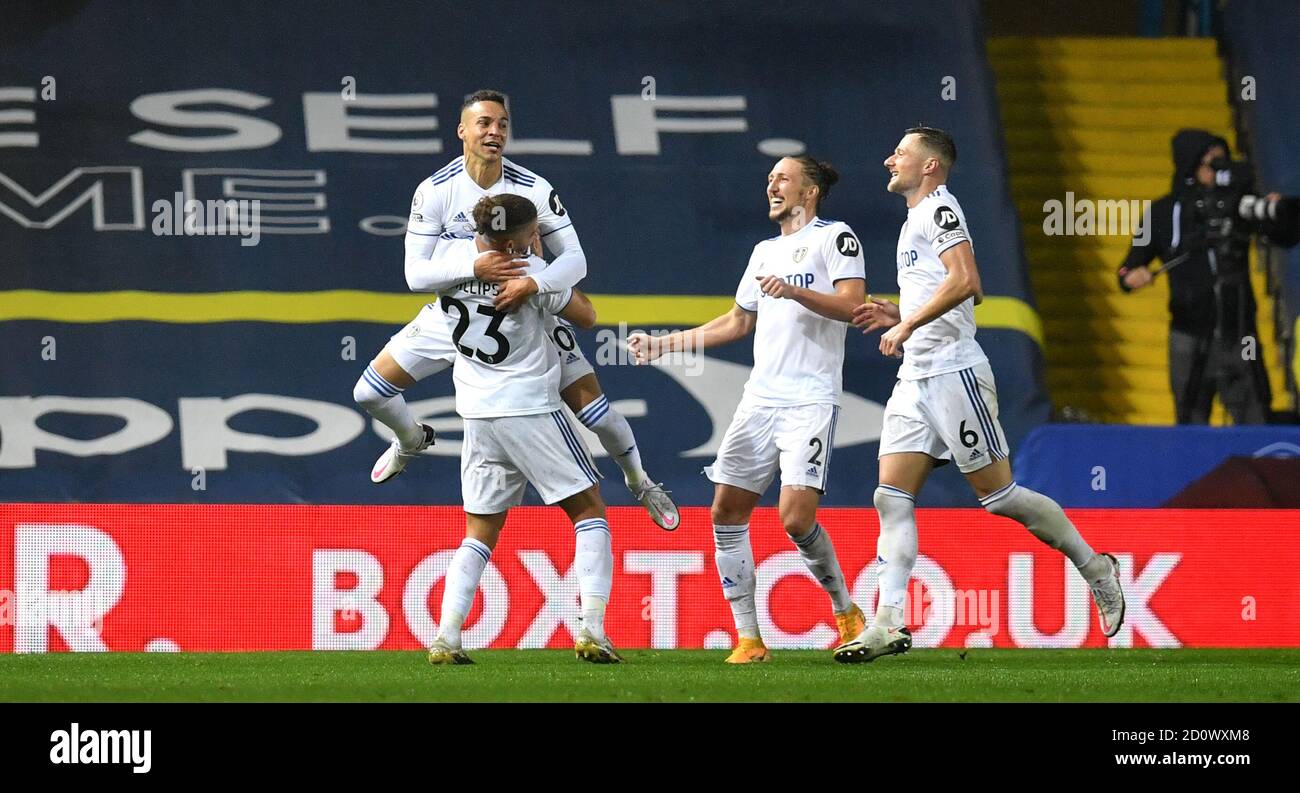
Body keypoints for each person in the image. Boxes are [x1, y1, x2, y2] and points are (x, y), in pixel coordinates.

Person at [838, 127, 1125, 663]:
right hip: (917, 377)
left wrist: (906, 327)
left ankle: (1096, 568)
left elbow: (968, 280)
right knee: (890, 497)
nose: (888, 159)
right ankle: (887, 622)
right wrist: (902, 317)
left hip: (953, 373)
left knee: (1000, 498)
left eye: (900, 152)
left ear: (930, 165)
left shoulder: (940, 210)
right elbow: (965, 293)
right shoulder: (916, 218)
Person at [353, 89, 679, 530]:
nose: (495, 131)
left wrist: (532, 283)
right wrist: (475, 266)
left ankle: (640, 481)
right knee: (369, 393)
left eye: (502, 124)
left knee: (599, 415)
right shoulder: (434, 191)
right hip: (454, 315)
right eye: (484, 123)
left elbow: (575, 261)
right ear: (462, 131)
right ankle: (410, 439)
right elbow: (415, 275)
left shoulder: (534, 189)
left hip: (529, 315)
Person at [628, 156, 867, 663]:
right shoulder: (762, 251)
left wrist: (796, 291)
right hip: (760, 400)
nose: (771, 186)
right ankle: (750, 639)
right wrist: (666, 344)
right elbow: (738, 322)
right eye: (769, 179)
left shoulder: (836, 237)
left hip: (810, 398)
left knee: (796, 519)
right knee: (725, 511)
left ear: (810, 192)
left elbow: (853, 306)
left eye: (783, 178)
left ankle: (846, 611)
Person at [425, 194, 620, 665]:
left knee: (480, 531)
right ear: (517, 240)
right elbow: (588, 315)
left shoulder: (449, 263)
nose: (540, 237)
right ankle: (592, 628)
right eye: (534, 231)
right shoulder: (526, 270)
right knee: (590, 510)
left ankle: (447, 635)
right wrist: (540, 277)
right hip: (529, 407)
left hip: (476, 414)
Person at [1118, 129, 1299, 424]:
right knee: (1190, 425)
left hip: (1239, 335)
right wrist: (1132, 277)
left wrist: (1278, 214)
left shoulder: (1239, 203)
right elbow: (1126, 271)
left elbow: (1286, 237)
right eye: (1212, 164)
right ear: (1191, 165)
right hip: (1189, 338)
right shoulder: (1164, 212)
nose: (1220, 172)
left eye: (1224, 163)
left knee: (1256, 422)